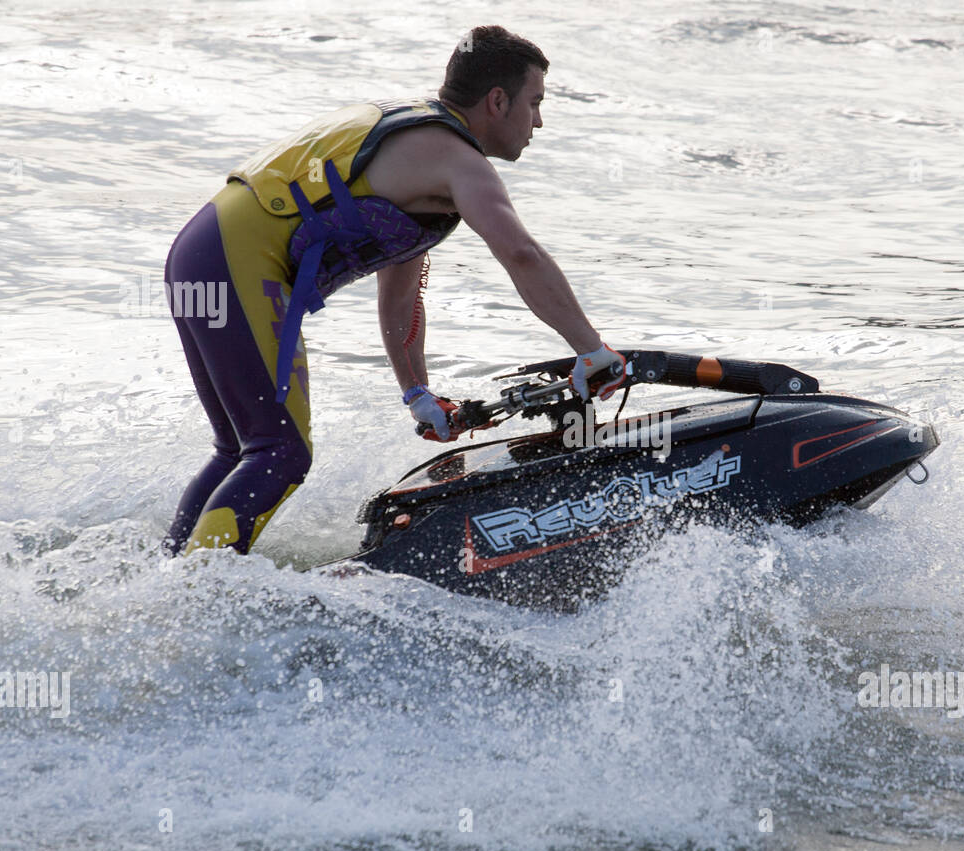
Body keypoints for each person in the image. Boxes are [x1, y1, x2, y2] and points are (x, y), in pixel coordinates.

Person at [162, 25, 624, 556]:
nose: (539, 121)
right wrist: (591, 349)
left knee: (242, 448)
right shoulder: (458, 161)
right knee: (280, 454)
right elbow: (522, 255)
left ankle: (167, 574)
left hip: (199, 255)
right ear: (497, 101)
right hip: (231, 263)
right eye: (535, 102)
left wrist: (417, 393)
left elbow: (401, 295)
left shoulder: (416, 143)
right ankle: (193, 595)